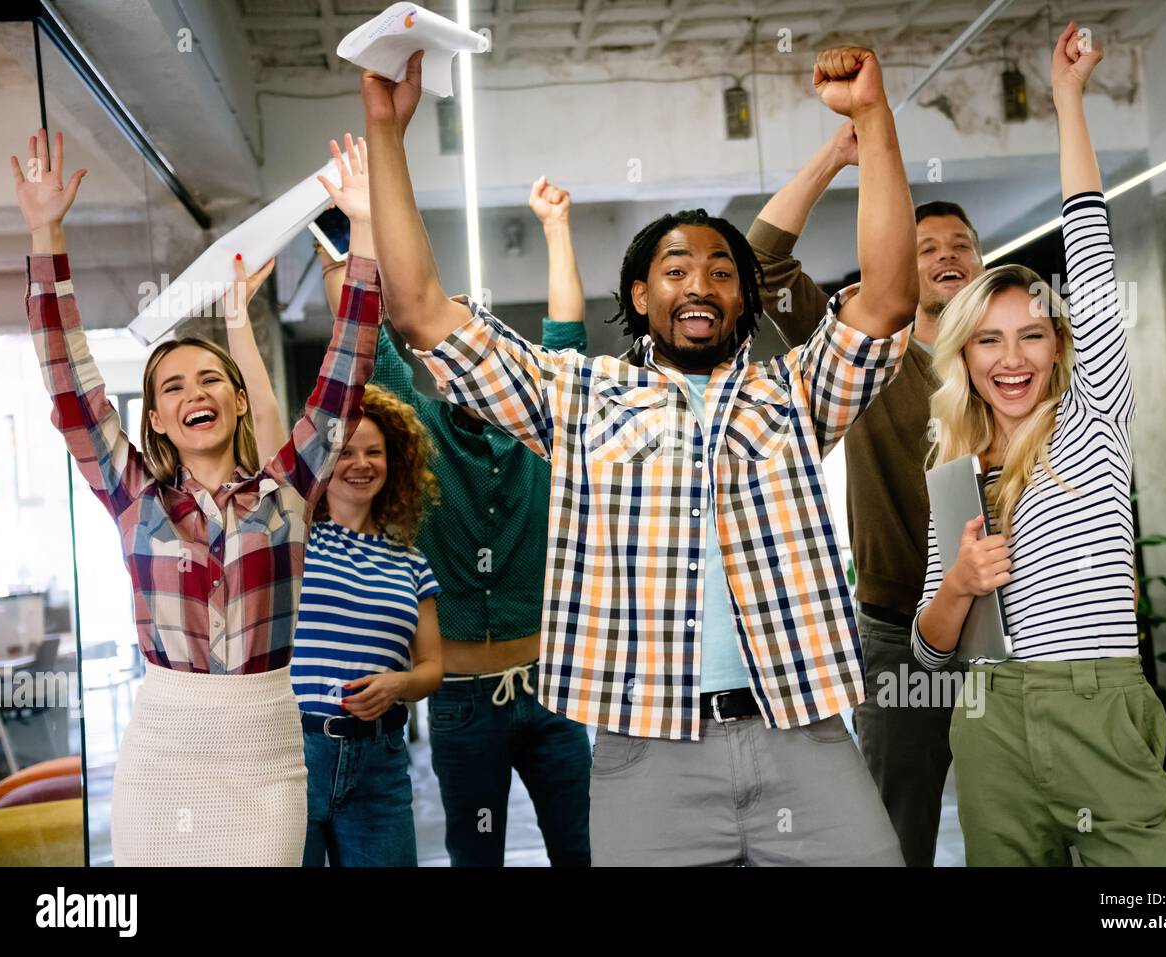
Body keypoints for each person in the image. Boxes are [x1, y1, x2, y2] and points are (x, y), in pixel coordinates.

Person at [363, 46, 916, 866]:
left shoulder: (795, 394)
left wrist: (872, 122)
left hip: (807, 735)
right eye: (677, 267)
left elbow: (890, 295)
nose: (701, 283)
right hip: (647, 753)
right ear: (639, 295)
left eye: (723, 271)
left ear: (744, 297)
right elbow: (418, 313)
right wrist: (385, 132)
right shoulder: (581, 397)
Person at [13, 128, 380, 866]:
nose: (194, 393)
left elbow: (345, 375)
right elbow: (71, 390)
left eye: (210, 379)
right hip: (162, 757)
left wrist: (365, 230)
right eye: (171, 386)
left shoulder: (287, 492)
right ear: (154, 419)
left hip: (266, 758)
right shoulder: (134, 500)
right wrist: (45, 234)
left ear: (240, 402)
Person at [911, 24, 1166, 866]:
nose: (1012, 359)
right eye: (989, 341)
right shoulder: (954, 469)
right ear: (963, 355)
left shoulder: (1093, 417)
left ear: (1060, 346)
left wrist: (1068, 102)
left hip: (1095, 703)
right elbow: (931, 652)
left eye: (1033, 336)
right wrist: (960, 584)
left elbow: (1092, 250)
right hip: (988, 716)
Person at [316, 165, 593, 867]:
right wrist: (354, 238)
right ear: (437, 368)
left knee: (586, 848)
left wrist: (558, 229)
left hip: (551, 688)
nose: (467, 357)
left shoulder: (540, 430)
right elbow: (365, 341)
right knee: (475, 856)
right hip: (463, 702)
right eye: (451, 347)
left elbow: (566, 340)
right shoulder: (416, 434)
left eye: (480, 339)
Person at [746, 126, 983, 865]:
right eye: (926, 247)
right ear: (897, 269)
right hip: (896, 636)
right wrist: (836, 156)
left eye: (961, 245)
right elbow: (762, 260)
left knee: (1015, 827)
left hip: (1006, 639)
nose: (947, 254)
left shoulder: (1016, 361)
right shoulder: (860, 352)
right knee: (894, 836)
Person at [226, 136, 442, 867]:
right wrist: (236, 328)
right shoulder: (291, 529)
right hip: (293, 755)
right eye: (344, 450)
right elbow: (261, 419)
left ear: (396, 464)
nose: (358, 461)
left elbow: (431, 667)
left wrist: (399, 685)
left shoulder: (410, 562)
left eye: (374, 452)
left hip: (381, 764)